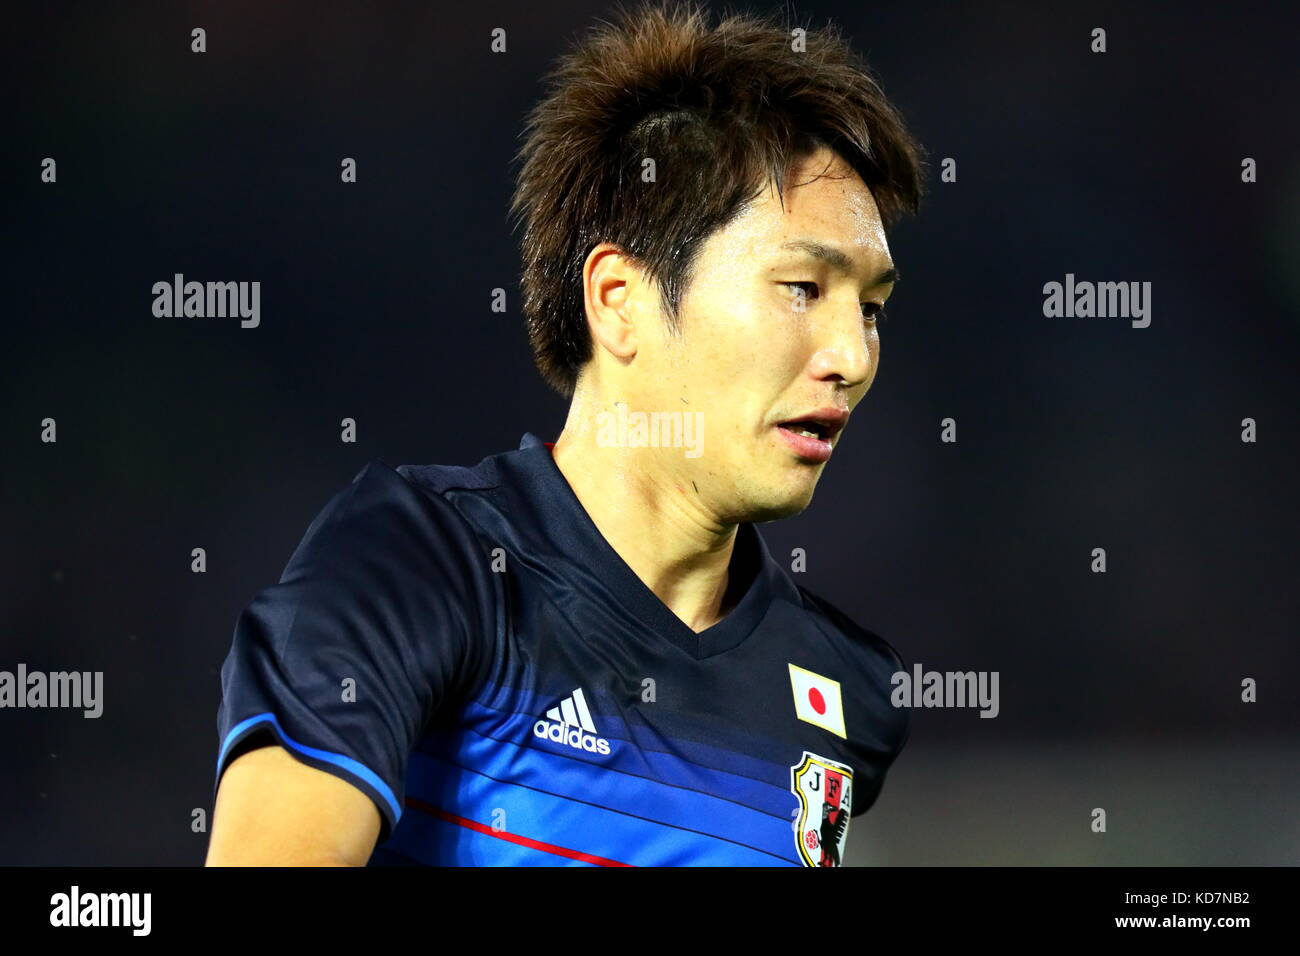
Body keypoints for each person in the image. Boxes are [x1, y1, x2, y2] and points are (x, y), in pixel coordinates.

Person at [206, 0, 925, 867]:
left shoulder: (847, 690)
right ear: (618, 300)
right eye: (804, 288)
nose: (851, 354)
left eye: (873, 309)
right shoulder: (421, 566)